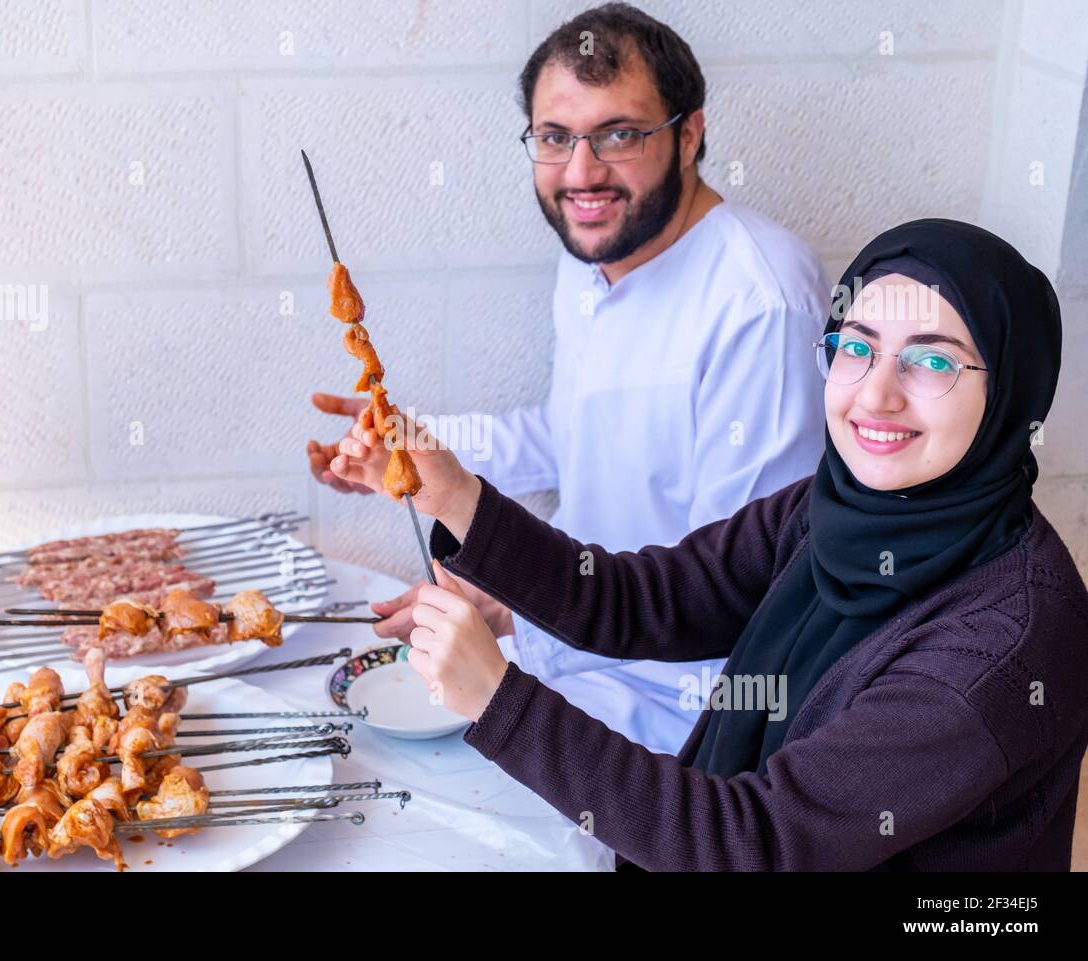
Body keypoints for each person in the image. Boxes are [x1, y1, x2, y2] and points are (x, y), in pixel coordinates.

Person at [329, 219, 1088, 871]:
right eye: (856, 346)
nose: (876, 393)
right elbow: (642, 599)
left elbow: (755, 843)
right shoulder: (841, 507)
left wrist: (501, 701)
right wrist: (455, 493)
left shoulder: (1000, 644)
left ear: (1011, 393)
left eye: (932, 360)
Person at [307, 2, 828, 755]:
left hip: (682, 726)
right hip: (578, 658)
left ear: (690, 135)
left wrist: (524, 607)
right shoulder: (593, 254)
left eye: (619, 134)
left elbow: (745, 599)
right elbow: (573, 433)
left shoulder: (761, 303)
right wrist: (419, 446)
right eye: (555, 137)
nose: (582, 173)